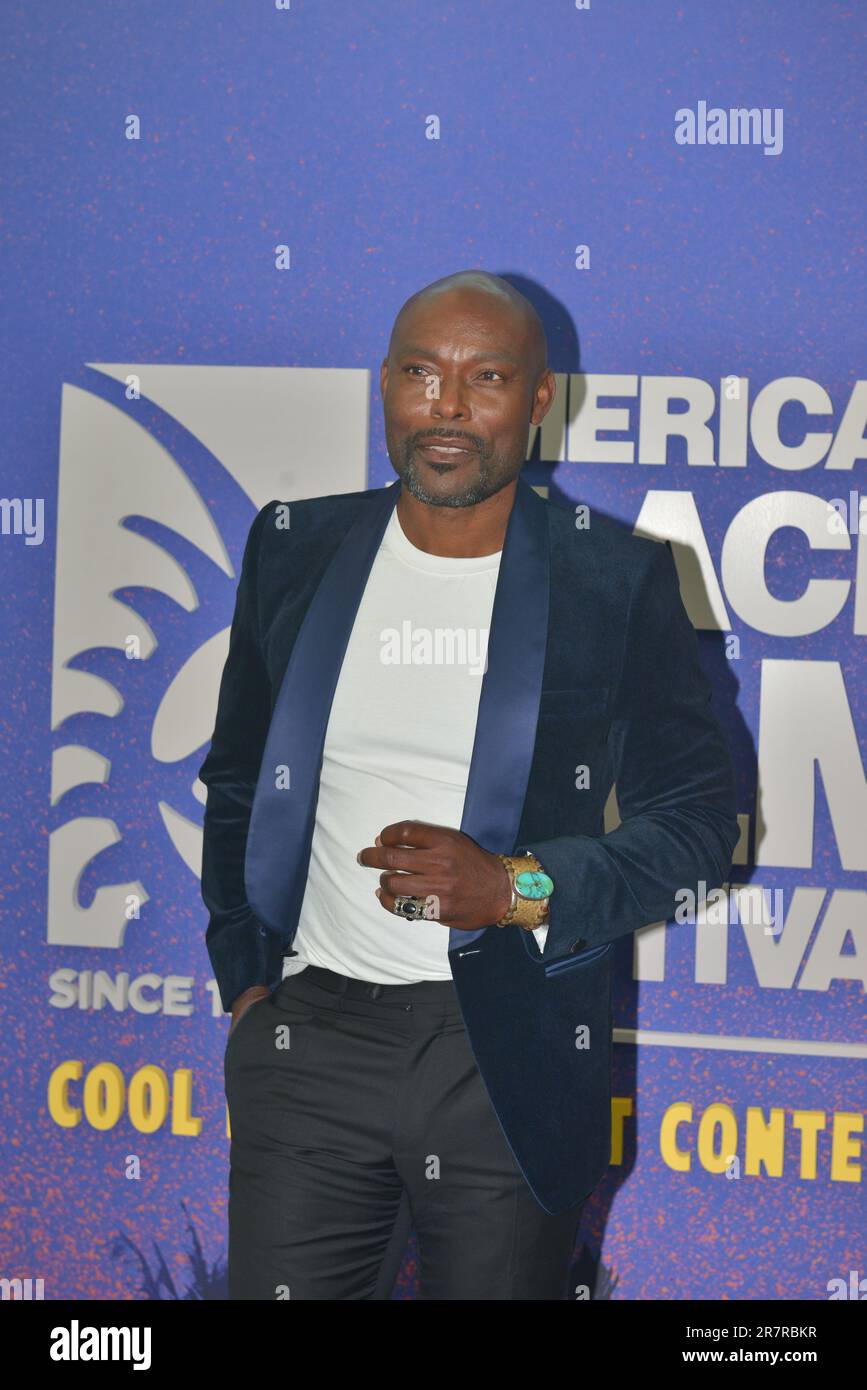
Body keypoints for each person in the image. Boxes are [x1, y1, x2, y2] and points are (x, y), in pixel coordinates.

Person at [198, 269, 740, 1300]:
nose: (446, 405)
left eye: (485, 377)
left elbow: (700, 826)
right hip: (311, 1042)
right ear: (384, 387)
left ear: (539, 401)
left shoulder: (610, 582)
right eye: (418, 373)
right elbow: (234, 773)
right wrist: (246, 974)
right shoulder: (294, 547)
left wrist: (516, 888)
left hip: (507, 1059)